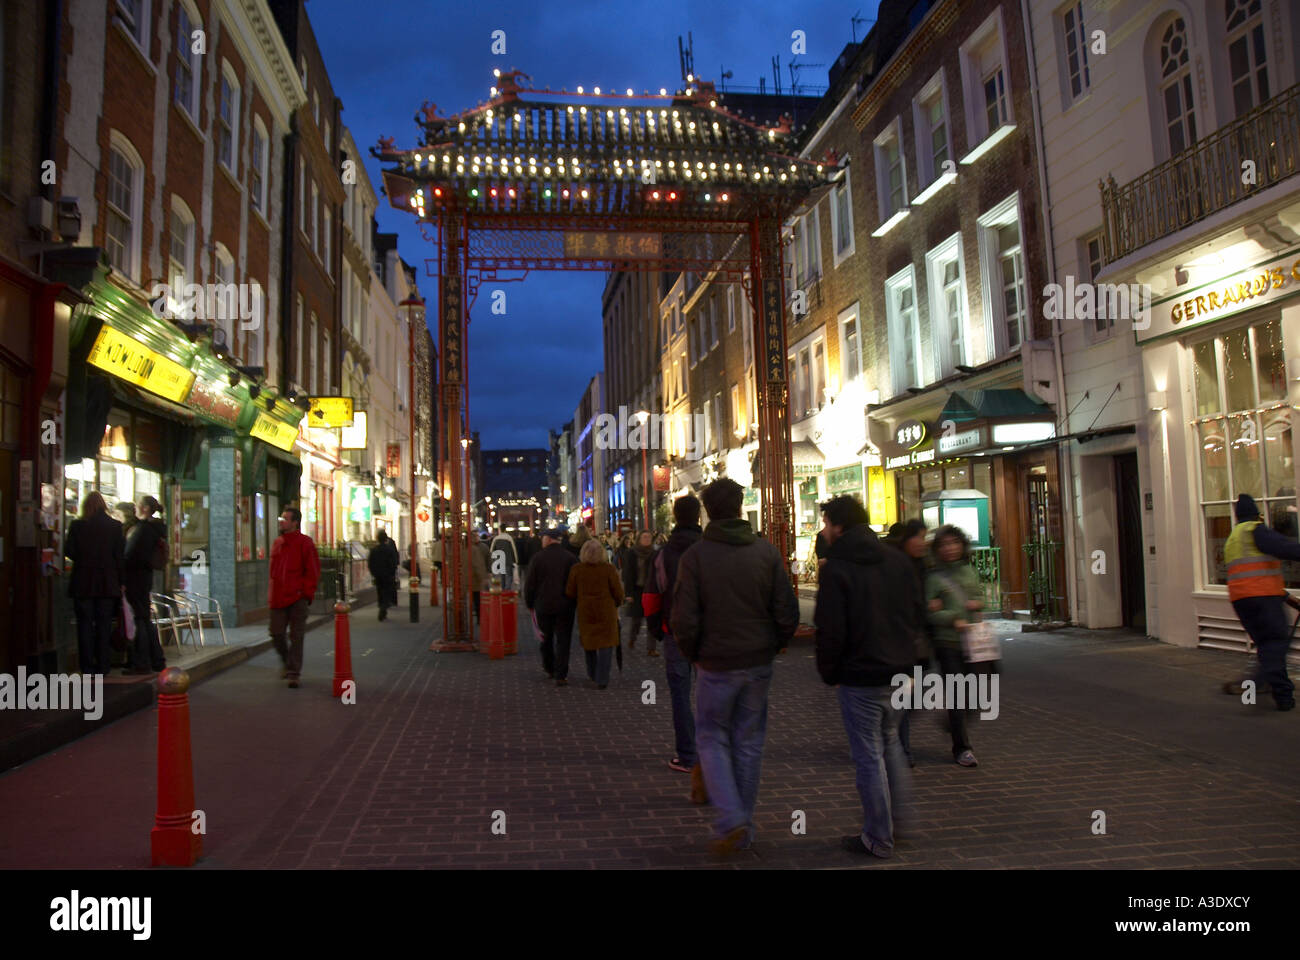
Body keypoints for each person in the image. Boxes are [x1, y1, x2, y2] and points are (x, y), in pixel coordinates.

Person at [671, 478, 799, 855]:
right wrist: (776, 642)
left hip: (715, 662)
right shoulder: (765, 552)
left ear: (708, 512)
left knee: (711, 737)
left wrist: (693, 652)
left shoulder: (696, 557)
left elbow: (684, 617)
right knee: (748, 742)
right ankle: (743, 821)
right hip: (757, 660)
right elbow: (786, 609)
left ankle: (732, 819)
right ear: (741, 507)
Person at [814, 496, 920, 859]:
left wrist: (831, 673)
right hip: (900, 672)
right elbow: (915, 612)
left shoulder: (837, 568)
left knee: (868, 755)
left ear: (839, 525)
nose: (823, 529)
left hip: (860, 677)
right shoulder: (897, 560)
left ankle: (878, 836)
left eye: (826, 522)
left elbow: (830, 630)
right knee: (890, 742)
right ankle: (900, 820)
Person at [641, 494, 704, 779]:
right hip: (709, 634)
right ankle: (714, 751)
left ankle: (688, 754)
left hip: (674, 631)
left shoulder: (663, 554)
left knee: (680, 695)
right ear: (699, 517)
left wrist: (656, 628)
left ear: (675, 518)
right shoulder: (710, 549)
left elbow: (651, 596)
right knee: (711, 692)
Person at [1224, 493, 1300, 710]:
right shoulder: (1255, 530)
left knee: (1268, 647)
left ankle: (1274, 693)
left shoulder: (1233, 538)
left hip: (1242, 601)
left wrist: (1287, 597)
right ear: (1257, 514)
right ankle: (1259, 687)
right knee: (1276, 644)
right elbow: (1285, 548)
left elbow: (1252, 574)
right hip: (1263, 599)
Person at [926, 525, 992, 765]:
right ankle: (962, 748)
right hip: (948, 643)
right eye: (944, 544)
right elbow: (929, 613)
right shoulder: (933, 578)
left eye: (954, 542)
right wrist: (953, 618)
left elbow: (981, 596)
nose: (950, 548)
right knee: (956, 693)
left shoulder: (969, 571)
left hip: (975, 642)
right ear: (937, 549)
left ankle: (953, 719)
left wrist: (977, 604)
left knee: (976, 696)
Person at [884, 519, 931, 766]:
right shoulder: (895, 565)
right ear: (906, 539)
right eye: (919, 537)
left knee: (909, 698)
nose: (923, 543)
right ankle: (901, 749)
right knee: (902, 697)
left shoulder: (922, 565)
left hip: (916, 643)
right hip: (899, 642)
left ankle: (898, 746)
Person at [65, 491, 125, 675]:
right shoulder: (115, 526)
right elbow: (119, 557)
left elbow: (70, 552)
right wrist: (120, 582)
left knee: (84, 625)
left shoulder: (77, 525)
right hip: (107, 584)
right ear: (103, 506)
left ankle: (86, 666)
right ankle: (103, 666)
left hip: (82, 584)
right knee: (104, 625)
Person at [268, 506, 320, 688]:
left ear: (294, 523)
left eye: (285, 519)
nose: (282, 522)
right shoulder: (278, 543)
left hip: (297, 597)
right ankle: (287, 661)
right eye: (281, 519)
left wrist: (305, 593)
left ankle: (293, 673)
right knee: (276, 633)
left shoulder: (305, 543)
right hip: (278, 597)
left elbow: (312, 570)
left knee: (297, 636)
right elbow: (273, 572)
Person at [566, 538, 624, 688]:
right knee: (606, 644)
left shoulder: (577, 569)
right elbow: (618, 592)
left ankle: (592, 672)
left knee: (589, 642)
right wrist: (618, 603)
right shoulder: (609, 569)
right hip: (606, 610)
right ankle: (602, 678)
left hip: (586, 610)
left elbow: (570, 592)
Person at [524, 528, 579, 684]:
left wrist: (529, 602)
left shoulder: (538, 558)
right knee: (564, 639)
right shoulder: (570, 558)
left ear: (548, 539)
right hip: (565, 604)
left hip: (543, 604)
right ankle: (561, 673)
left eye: (543, 538)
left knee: (545, 638)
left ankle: (549, 667)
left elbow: (530, 584)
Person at [123, 495, 167, 674]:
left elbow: (130, 555)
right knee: (145, 619)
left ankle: (142, 661)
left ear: (145, 509)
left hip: (135, 579)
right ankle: (157, 659)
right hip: (144, 578)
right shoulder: (155, 529)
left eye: (139, 505)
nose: (136, 508)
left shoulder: (143, 530)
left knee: (140, 619)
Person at [621, 530, 658, 655]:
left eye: (649, 537)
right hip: (637, 590)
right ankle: (632, 639)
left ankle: (651, 648)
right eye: (644, 537)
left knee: (652, 619)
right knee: (636, 620)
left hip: (650, 590)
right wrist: (628, 594)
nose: (647, 539)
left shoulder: (655, 553)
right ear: (639, 539)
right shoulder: (632, 553)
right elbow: (628, 574)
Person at [367, 530, 401, 621]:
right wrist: (392, 572)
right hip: (388, 575)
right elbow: (393, 562)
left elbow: (370, 563)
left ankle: (382, 606)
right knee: (386, 591)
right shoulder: (389, 550)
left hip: (378, 575)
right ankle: (383, 607)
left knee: (380, 591)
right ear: (386, 539)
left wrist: (374, 573)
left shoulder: (374, 550)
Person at [469, 534, 490, 623]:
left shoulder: (469, 548)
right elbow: (488, 560)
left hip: (475, 576)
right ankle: (482, 614)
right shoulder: (484, 547)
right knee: (480, 596)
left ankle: (479, 614)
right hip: (480, 575)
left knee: (476, 597)